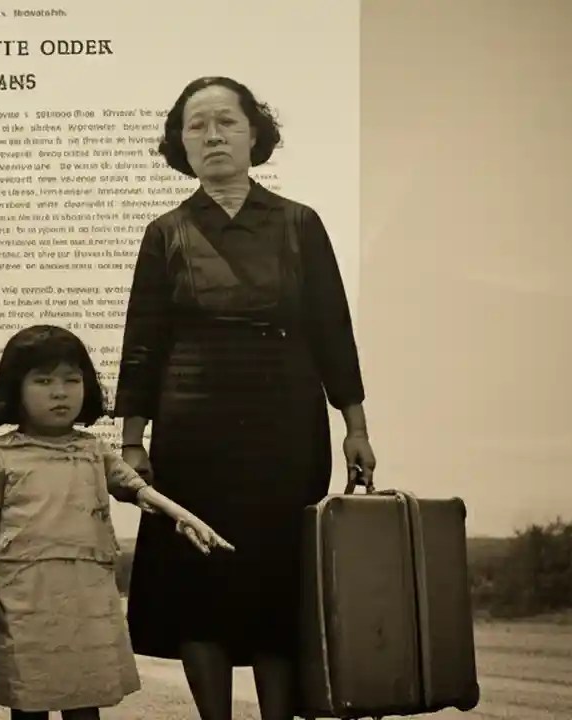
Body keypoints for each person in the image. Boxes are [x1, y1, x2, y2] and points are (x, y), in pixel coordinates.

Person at [114, 76, 379, 720]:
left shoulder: (299, 223)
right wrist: (131, 439)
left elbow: (333, 332)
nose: (212, 136)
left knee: (276, 577)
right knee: (199, 576)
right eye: (196, 125)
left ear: (255, 133)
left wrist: (356, 427)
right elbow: (142, 340)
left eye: (226, 122)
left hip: (285, 421)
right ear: (180, 142)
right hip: (192, 424)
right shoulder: (166, 232)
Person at [0, 324, 232, 720]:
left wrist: (183, 516)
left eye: (71, 380)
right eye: (43, 381)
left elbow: (137, 488)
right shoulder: (2, 458)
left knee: (83, 692)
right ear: (14, 389)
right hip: (24, 594)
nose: (60, 392)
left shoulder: (94, 452)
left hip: (86, 591)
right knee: (28, 693)